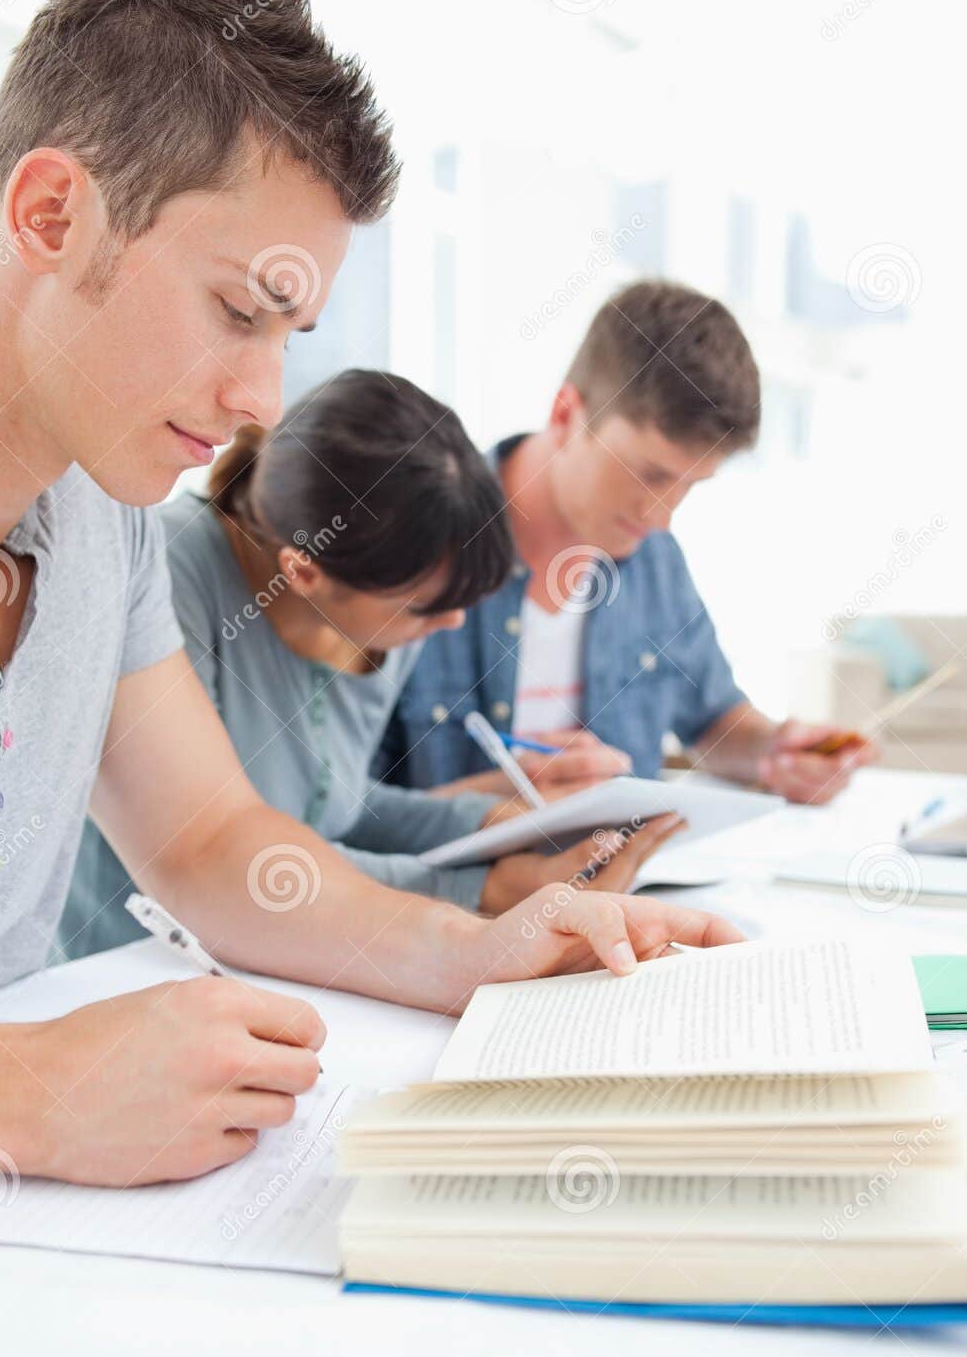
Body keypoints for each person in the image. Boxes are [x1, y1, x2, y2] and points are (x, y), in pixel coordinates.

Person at [0, 0, 740, 1192]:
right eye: (239, 310)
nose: (259, 403)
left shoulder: (104, 521)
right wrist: (27, 1090)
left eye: (288, 336)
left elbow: (203, 836)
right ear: (50, 215)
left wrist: (471, 952)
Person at [62, 372, 684, 958]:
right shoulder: (167, 580)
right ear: (304, 572)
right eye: (422, 609)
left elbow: (340, 808)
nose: (452, 625)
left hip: (271, 962)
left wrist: (508, 822)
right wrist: (486, 889)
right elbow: (238, 856)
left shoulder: (387, 609)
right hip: (125, 968)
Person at [379, 280, 879, 808]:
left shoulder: (655, 561)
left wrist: (774, 752)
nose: (661, 516)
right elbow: (340, 813)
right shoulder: (414, 543)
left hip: (625, 884)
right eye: (651, 475)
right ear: (566, 414)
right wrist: (493, 800)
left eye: (691, 486)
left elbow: (712, 718)